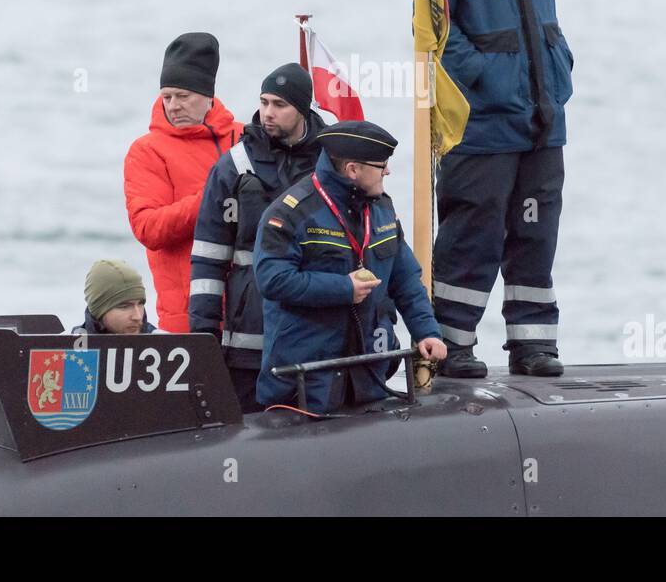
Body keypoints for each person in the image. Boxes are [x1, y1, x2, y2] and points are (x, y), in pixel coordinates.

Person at [430, 0, 573, 378]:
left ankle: (533, 343)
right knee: (474, 230)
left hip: (542, 115)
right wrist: (487, 78)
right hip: (482, 121)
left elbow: (546, 19)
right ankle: (450, 343)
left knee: (537, 231)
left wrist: (559, 72)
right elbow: (436, 30)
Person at [255, 121, 447, 414]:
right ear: (353, 170)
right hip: (305, 384)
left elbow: (405, 278)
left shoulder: (382, 208)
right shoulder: (290, 214)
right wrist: (343, 289)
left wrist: (427, 331)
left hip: (368, 378)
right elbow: (272, 279)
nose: (387, 172)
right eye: (381, 165)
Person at [188, 63, 327, 412]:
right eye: (264, 102)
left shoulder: (333, 163)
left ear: (303, 108)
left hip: (318, 337)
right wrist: (204, 335)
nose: (268, 113)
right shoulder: (233, 166)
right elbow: (208, 256)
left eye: (279, 105)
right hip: (248, 340)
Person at [124, 32, 240, 332]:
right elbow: (149, 228)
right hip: (186, 318)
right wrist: (213, 198)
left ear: (208, 96)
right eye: (167, 97)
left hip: (252, 310)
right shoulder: (147, 150)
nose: (173, 105)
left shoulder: (244, 139)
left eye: (183, 96)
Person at [71, 259, 158, 335]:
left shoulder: (163, 347)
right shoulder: (73, 349)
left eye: (140, 304)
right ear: (99, 310)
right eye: (125, 306)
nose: (138, 316)